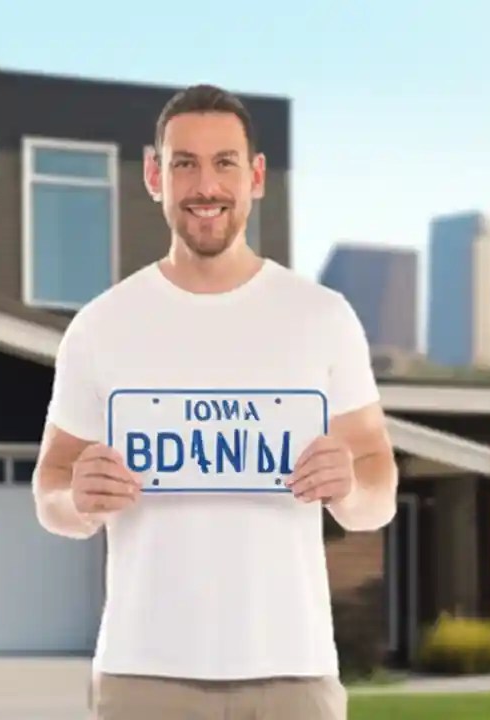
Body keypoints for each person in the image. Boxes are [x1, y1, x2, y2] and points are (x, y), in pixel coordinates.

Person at [32, 83, 398, 720]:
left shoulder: (322, 317)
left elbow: (379, 489)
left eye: (225, 162)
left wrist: (349, 487)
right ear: (155, 176)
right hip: (144, 673)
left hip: (293, 670)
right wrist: (77, 498)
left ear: (255, 176)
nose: (206, 186)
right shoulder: (101, 326)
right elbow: (50, 492)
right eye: (185, 163)